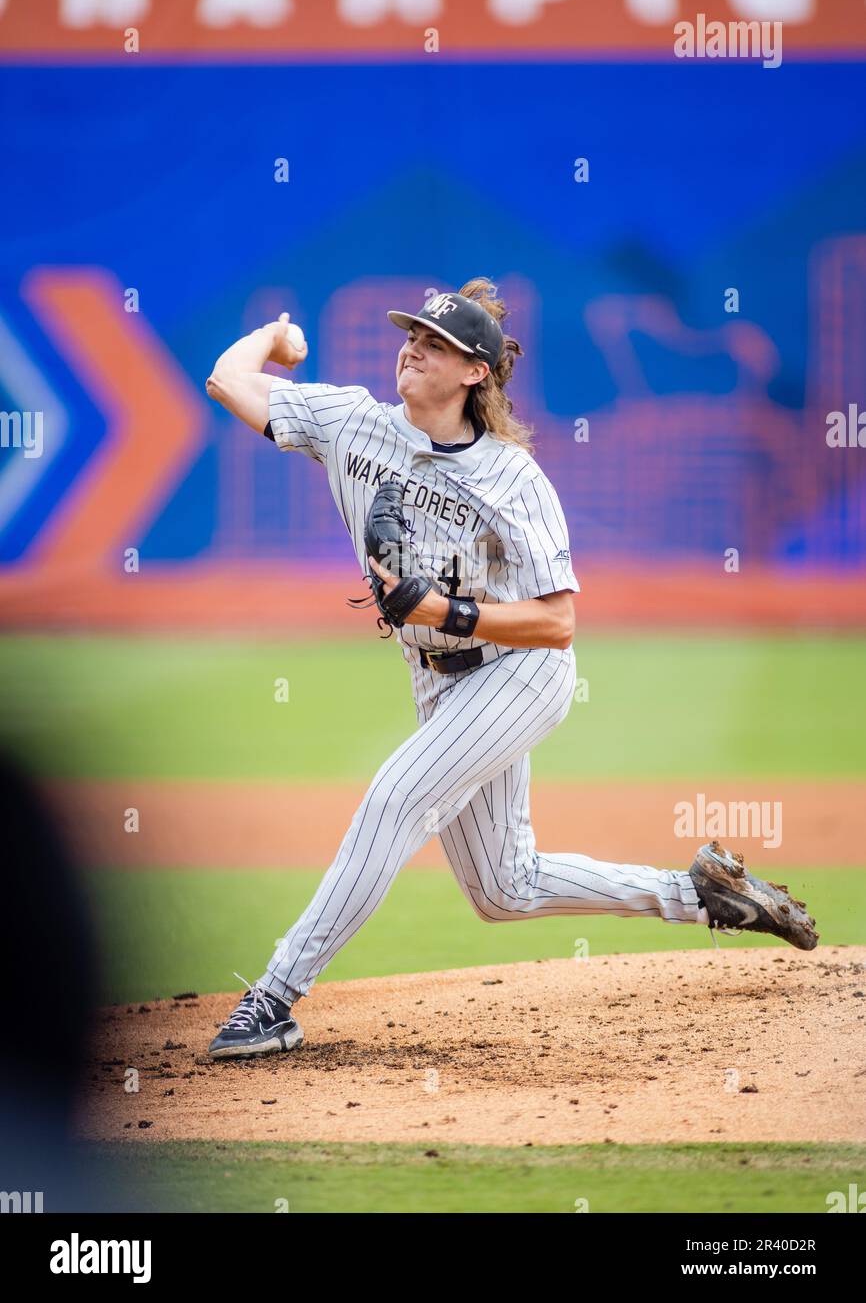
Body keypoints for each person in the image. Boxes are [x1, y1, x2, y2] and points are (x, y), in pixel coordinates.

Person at [203, 278, 818, 1058]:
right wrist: (276, 335)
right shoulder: (351, 422)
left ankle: (273, 999)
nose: (412, 349)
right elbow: (227, 380)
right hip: (439, 680)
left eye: (435, 344)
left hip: (520, 672)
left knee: (395, 798)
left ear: (476, 373)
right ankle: (701, 895)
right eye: (412, 335)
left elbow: (558, 623)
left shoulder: (512, 479)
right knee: (503, 888)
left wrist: (450, 613)